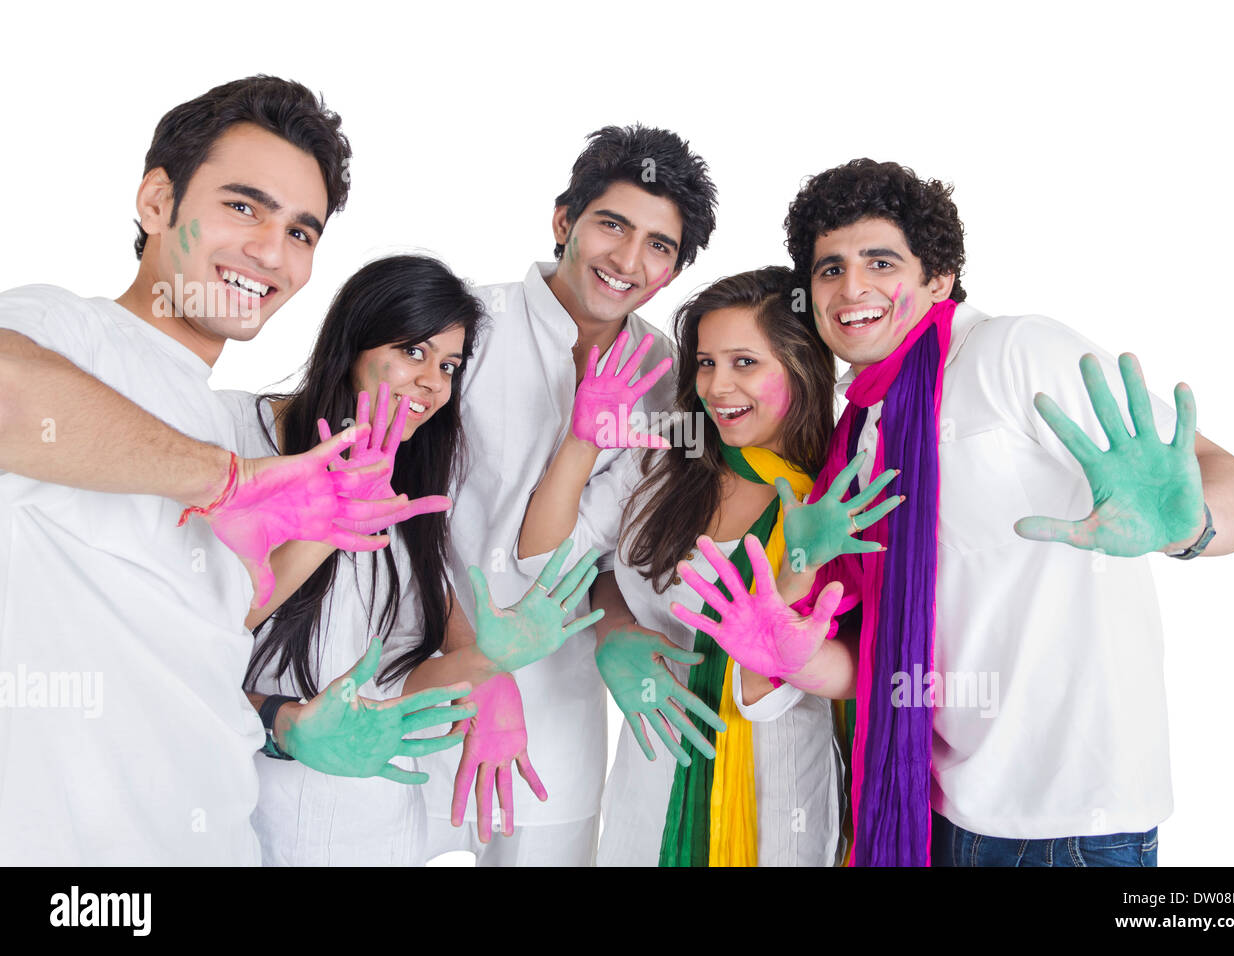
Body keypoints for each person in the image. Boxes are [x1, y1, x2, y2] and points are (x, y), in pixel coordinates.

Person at [673, 158, 1234, 867]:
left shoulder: (1014, 353)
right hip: (937, 808)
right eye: (829, 269)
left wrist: (1191, 528)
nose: (852, 287)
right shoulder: (858, 435)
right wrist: (788, 652)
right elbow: (874, 669)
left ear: (938, 278)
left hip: (1073, 819)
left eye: (880, 261)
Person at [0, 77, 461, 865]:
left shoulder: (228, 420)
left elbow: (215, 621)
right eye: (243, 207)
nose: (271, 252)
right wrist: (228, 481)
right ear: (156, 202)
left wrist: (324, 527)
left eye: (301, 231)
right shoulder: (64, 328)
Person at [421, 124, 718, 865]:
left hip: (555, 703)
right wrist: (474, 662)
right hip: (411, 666)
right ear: (565, 221)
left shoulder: (672, 381)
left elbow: (607, 555)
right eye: (611, 225)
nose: (627, 260)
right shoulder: (462, 329)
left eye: (659, 245)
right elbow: (390, 511)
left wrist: (617, 628)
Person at [520, 266, 881, 865]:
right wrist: (613, 634)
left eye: (745, 363)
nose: (716, 386)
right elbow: (548, 559)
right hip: (650, 775)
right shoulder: (667, 462)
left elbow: (779, 678)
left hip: (779, 792)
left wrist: (799, 566)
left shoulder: (839, 498)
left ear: (803, 369)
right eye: (706, 362)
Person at [218, 254, 485, 865]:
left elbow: (445, 649)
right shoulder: (240, 434)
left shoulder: (408, 485)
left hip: (379, 828)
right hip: (251, 816)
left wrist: (493, 671)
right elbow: (204, 626)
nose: (434, 384)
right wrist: (330, 523)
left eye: (449, 365)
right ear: (353, 343)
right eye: (414, 352)